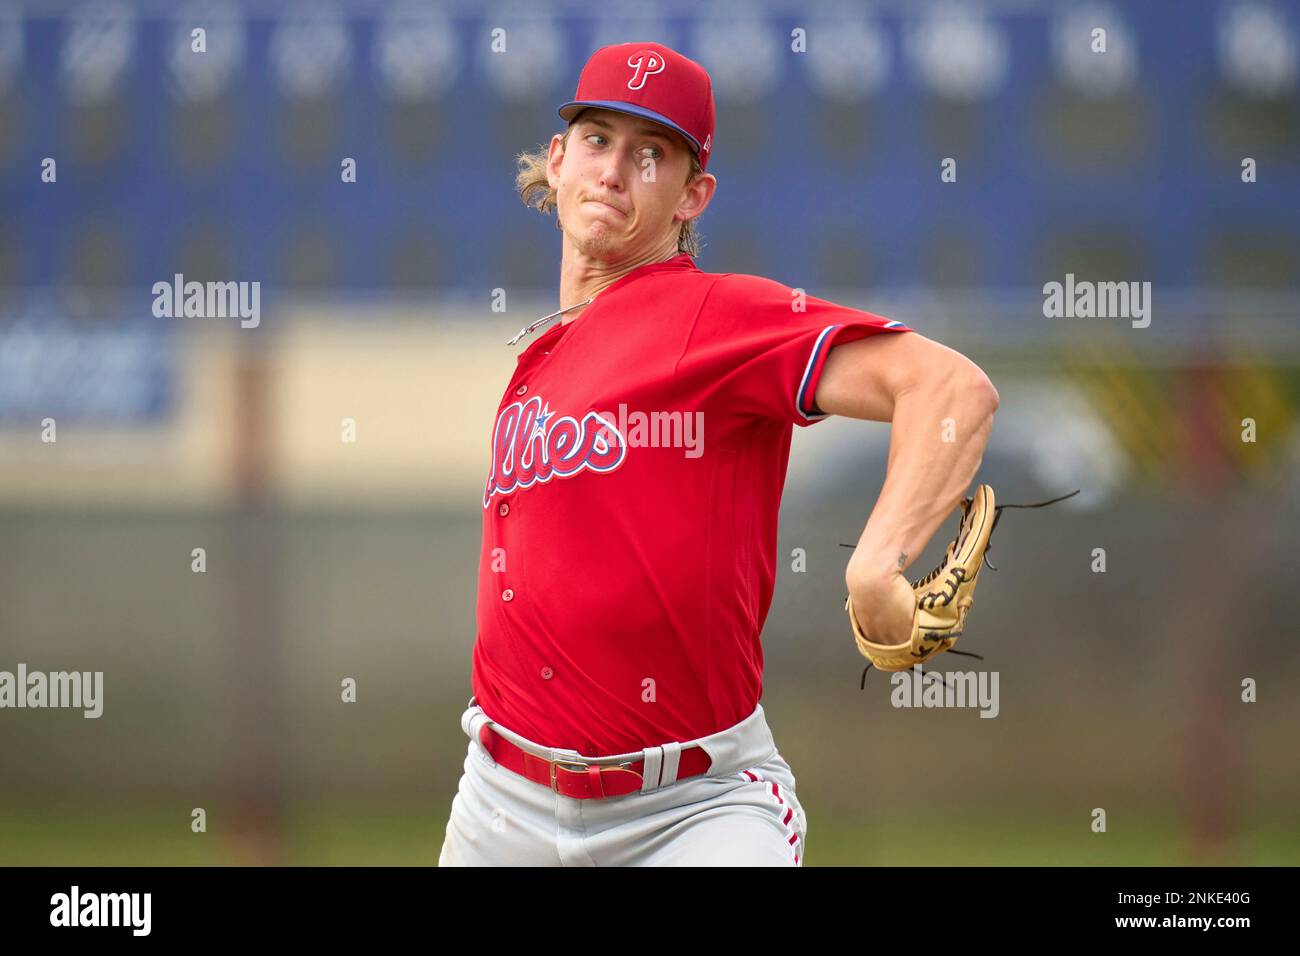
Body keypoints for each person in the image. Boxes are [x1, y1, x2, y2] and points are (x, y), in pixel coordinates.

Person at [438, 41, 999, 866]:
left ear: (692, 196)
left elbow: (949, 387)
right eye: (597, 140)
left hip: (689, 814)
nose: (614, 170)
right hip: (501, 802)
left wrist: (875, 565)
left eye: (651, 154)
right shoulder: (539, 360)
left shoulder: (713, 317)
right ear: (557, 162)